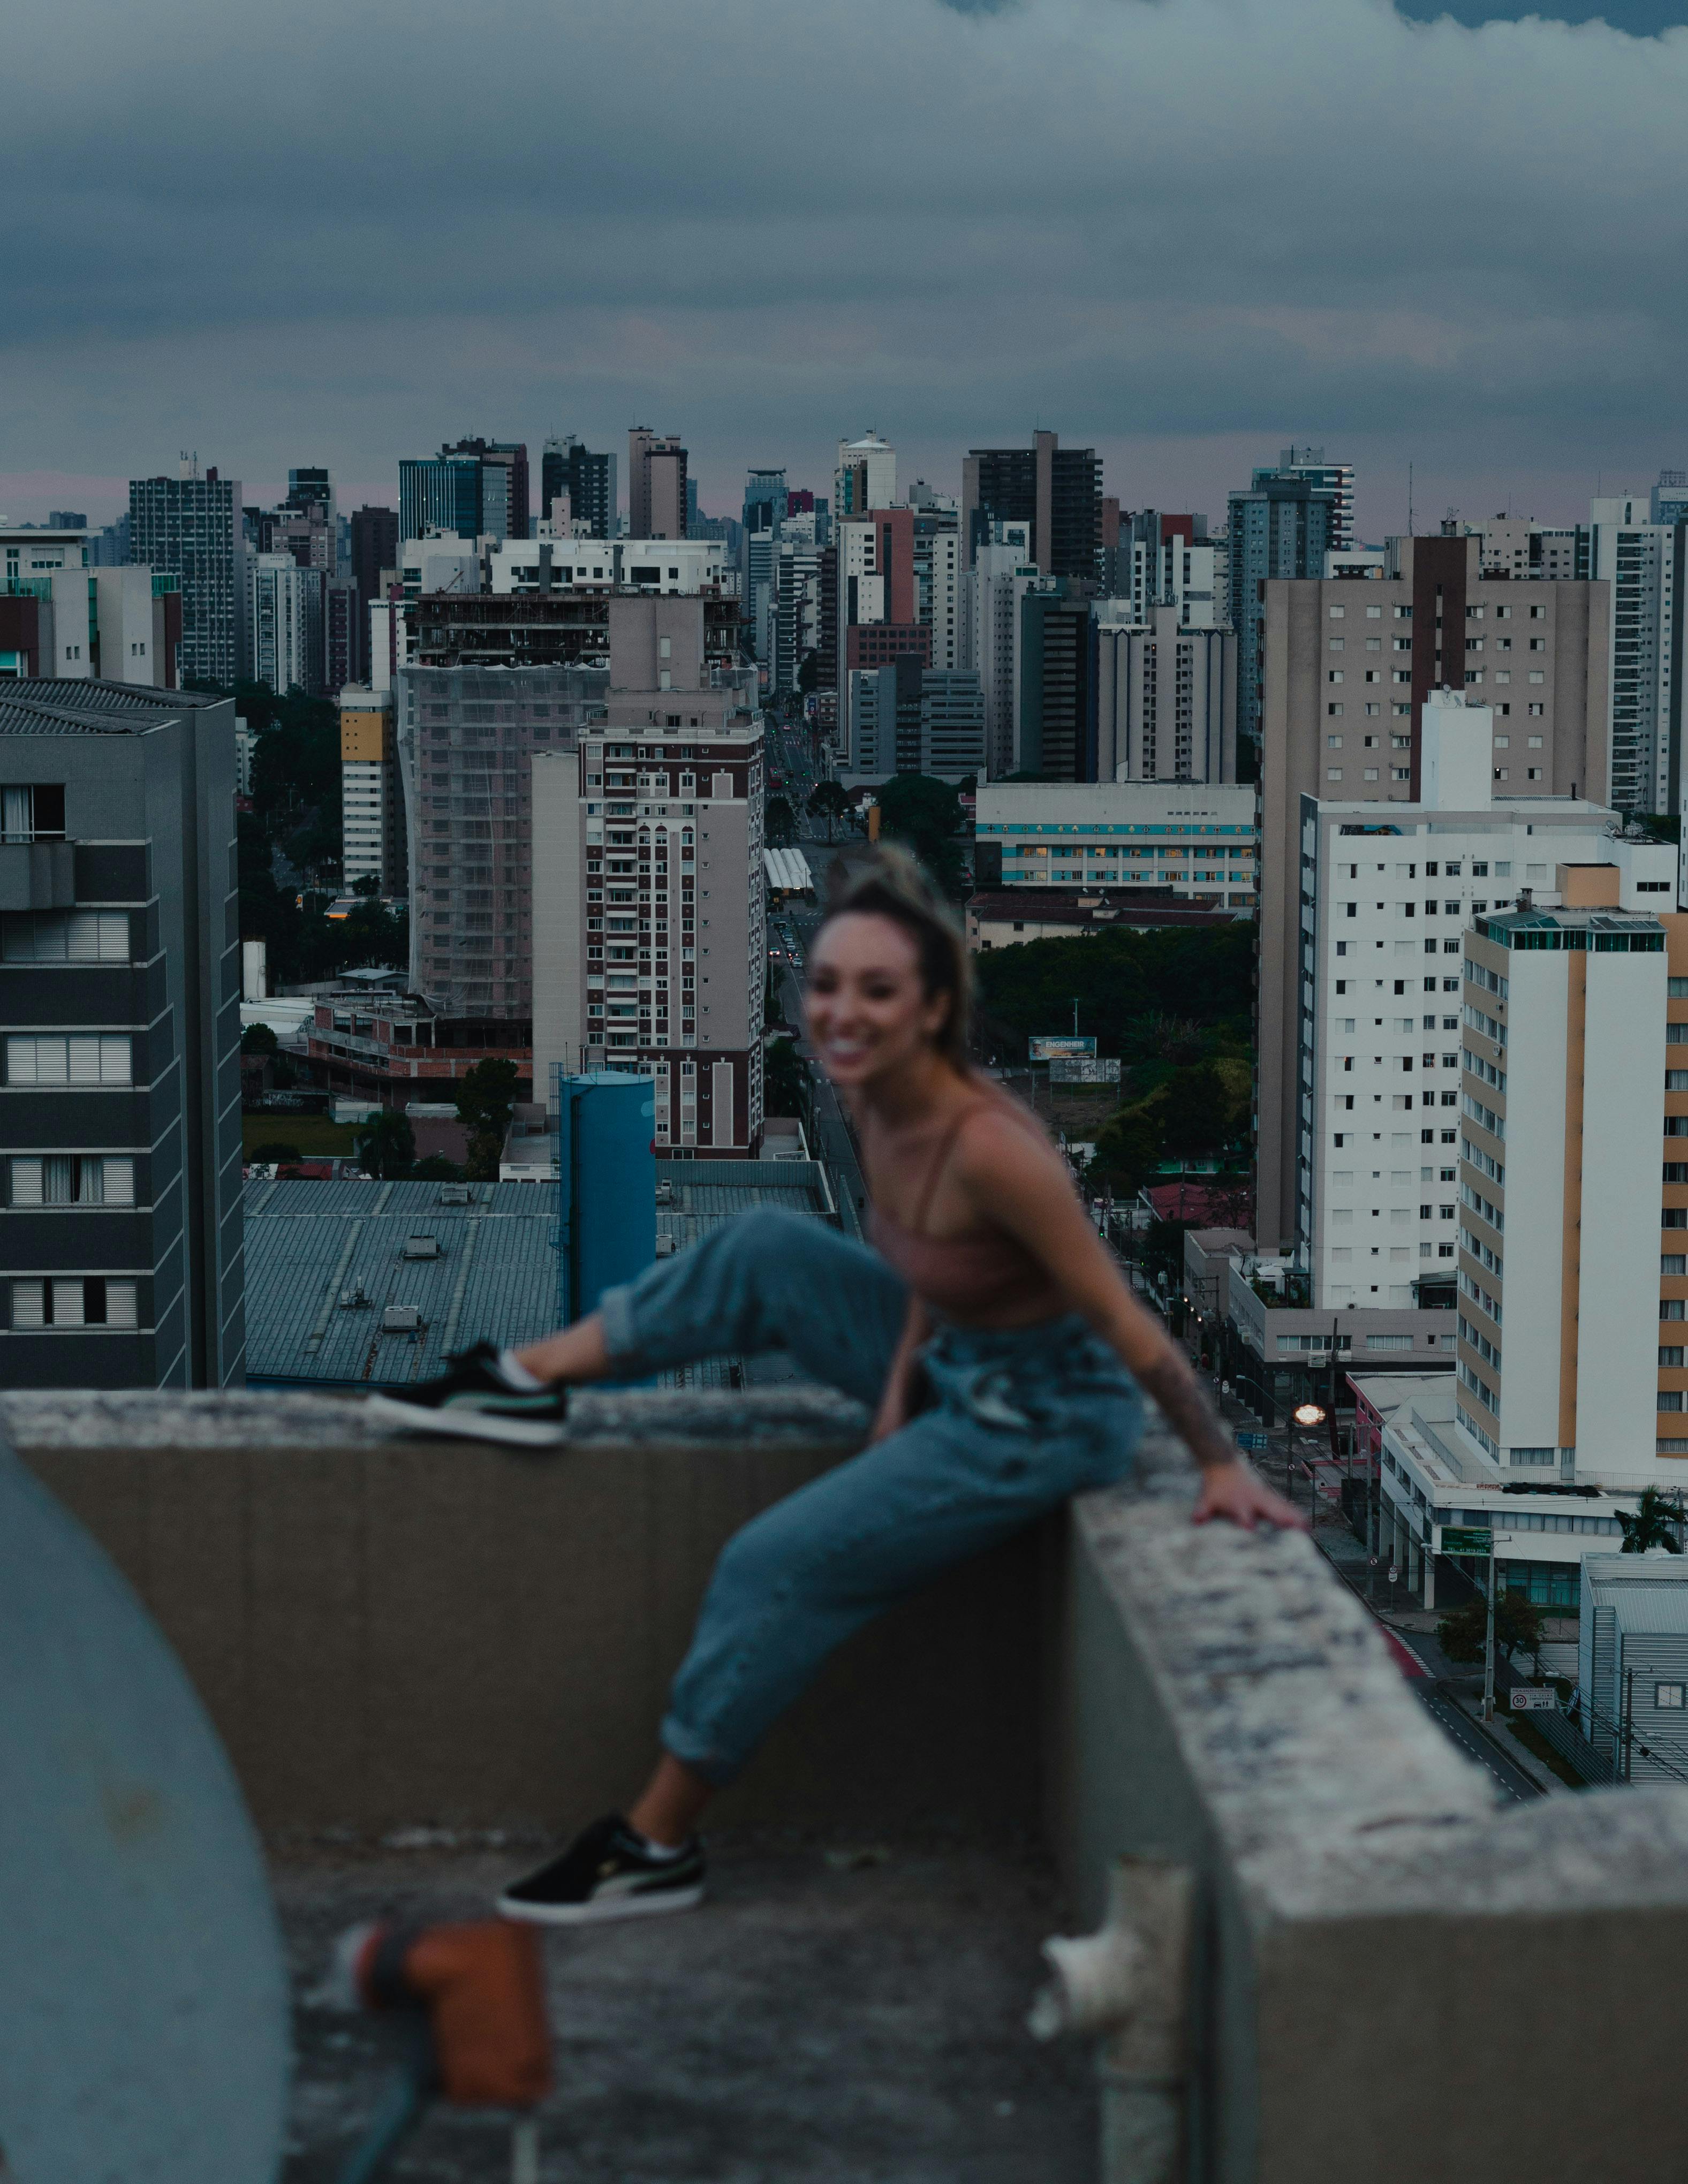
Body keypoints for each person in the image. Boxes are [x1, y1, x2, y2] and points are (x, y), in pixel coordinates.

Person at [368, 850, 1303, 1924]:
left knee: (771, 1565)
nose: (839, 1013)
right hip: (956, 1374)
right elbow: (923, 1284)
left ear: (931, 1008)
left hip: (1041, 1422)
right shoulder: (870, 1104)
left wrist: (1219, 1463)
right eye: (825, 985)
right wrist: (896, 1411)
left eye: (875, 990)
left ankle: (654, 1842)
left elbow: (1125, 1325)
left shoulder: (995, 1150)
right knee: (765, 1246)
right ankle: (522, 1382)